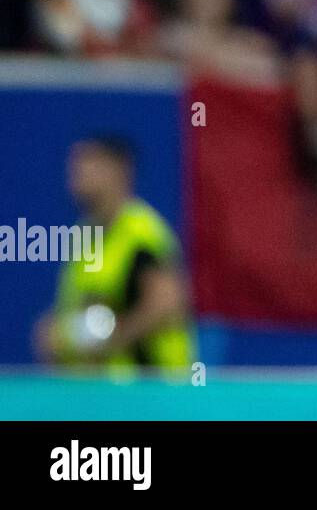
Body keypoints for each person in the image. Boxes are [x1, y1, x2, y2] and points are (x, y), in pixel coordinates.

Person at [33, 138, 196, 375]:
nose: (77, 172)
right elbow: (82, 311)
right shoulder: (84, 236)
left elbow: (166, 304)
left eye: (90, 163)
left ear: (119, 170)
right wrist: (59, 335)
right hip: (96, 398)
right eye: (75, 163)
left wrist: (96, 342)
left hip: (146, 398)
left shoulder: (140, 232)